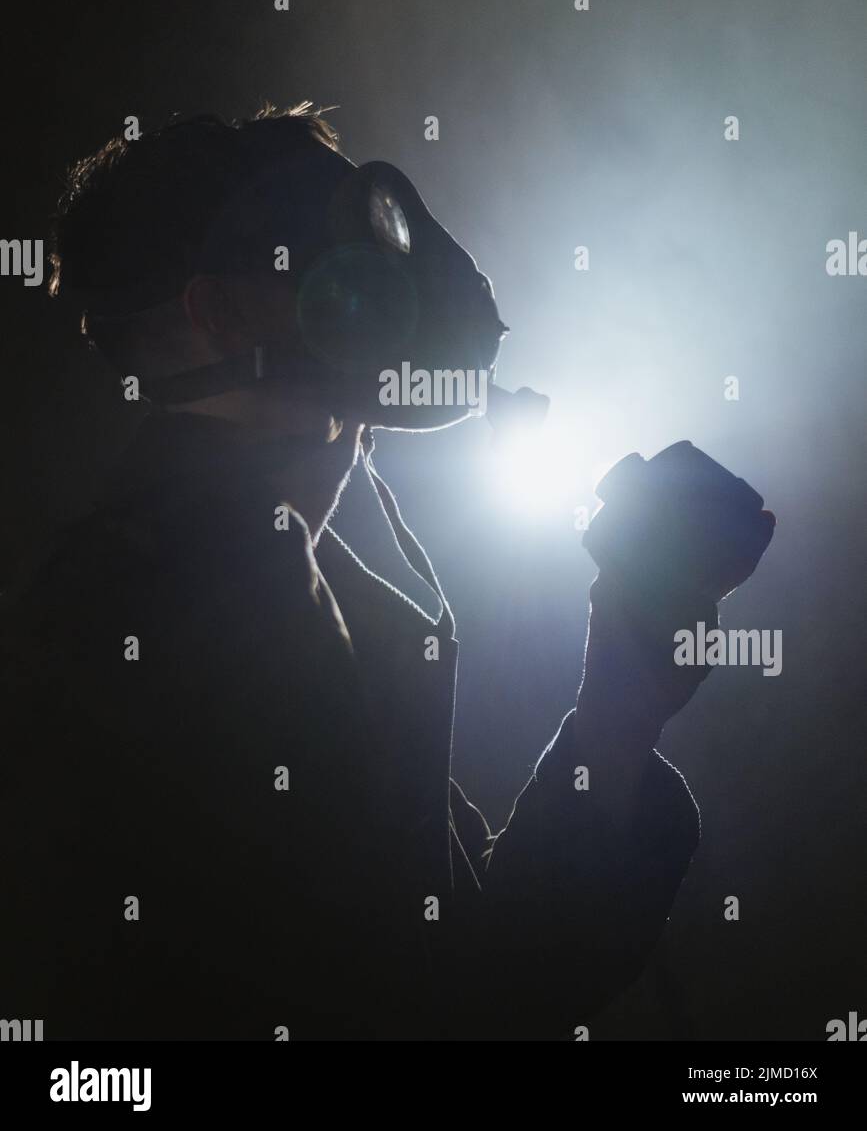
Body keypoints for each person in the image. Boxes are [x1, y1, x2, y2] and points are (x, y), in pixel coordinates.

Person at [0, 104, 769, 1040]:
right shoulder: (138, 614)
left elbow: (482, 972)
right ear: (223, 313)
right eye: (340, 245)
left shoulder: (334, 597)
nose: (406, 267)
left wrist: (620, 699)